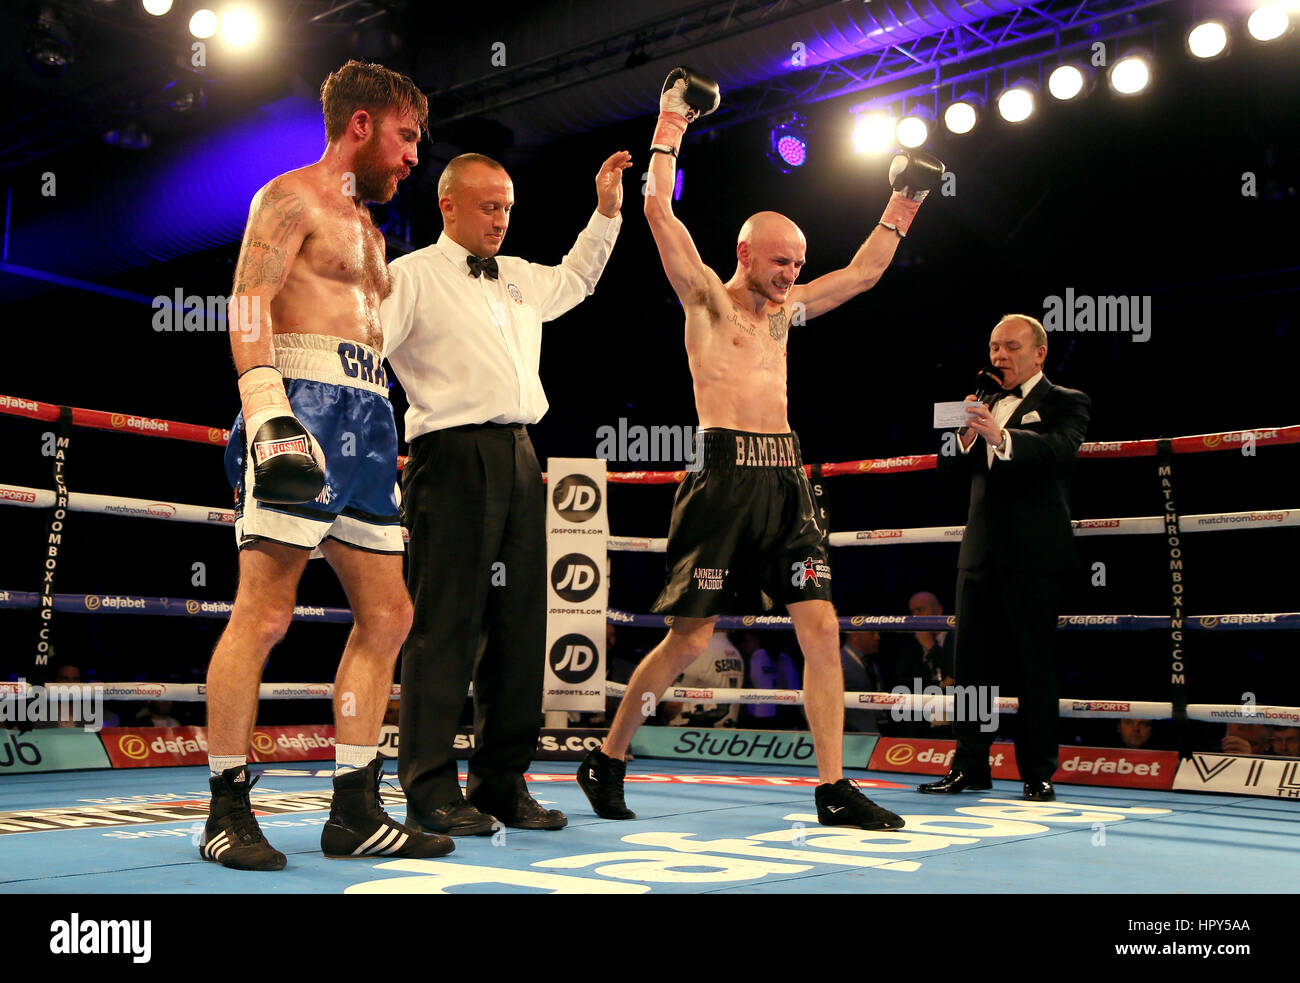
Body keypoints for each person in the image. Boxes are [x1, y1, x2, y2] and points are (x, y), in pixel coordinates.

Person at [576, 67, 941, 829]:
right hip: (721, 474)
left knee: (821, 624)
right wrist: (672, 119)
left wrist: (905, 196)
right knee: (691, 637)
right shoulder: (706, 298)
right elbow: (654, 206)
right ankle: (607, 756)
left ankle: (834, 786)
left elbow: (867, 272)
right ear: (746, 253)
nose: (791, 276)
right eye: (781, 263)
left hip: (787, 478)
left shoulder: (788, 312)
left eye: (798, 266)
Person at [201, 61, 452, 871]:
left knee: (390, 617)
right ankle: (225, 805)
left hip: (369, 417)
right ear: (361, 125)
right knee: (265, 612)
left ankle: (354, 807)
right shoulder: (289, 196)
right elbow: (248, 300)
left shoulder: (374, 233)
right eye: (407, 137)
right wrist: (266, 404)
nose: (414, 156)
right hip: (299, 403)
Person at [380, 149, 630, 836]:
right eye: (489, 206)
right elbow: (367, 353)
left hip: (522, 456)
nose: (500, 220)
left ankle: (500, 781)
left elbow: (579, 277)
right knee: (445, 625)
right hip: (449, 456)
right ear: (449, 206)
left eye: (508, 208)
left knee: (521, 625)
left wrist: (606, 210)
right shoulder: (411, 276)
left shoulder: (519, 277)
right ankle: (429, 787)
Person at [918, 314, 1091, 802]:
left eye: (1011, 347)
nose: (999, 357)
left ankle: (1038, 773)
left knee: (1034, 666)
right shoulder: (980, 404)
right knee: (971, 666)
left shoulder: (1067, 401)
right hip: (980, 556)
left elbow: (1060, 452)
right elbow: (946, 469)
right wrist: (968, 435)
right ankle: (970, 766)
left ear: (1039, 352)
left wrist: (1000, 436)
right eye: (994, 347)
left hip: (1035, 556)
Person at [662, 627, 744, 727]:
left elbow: (675, 702)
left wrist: (660, 719)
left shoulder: (698, 650)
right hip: (725, 732)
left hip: (688, 733)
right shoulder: (735, 652)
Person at [841, 630, 887, 733]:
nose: (877, 637)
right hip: (852, 736)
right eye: (872, 633)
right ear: (854, 635)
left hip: (876, 730)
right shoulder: (837, 663)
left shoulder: (870, 663)